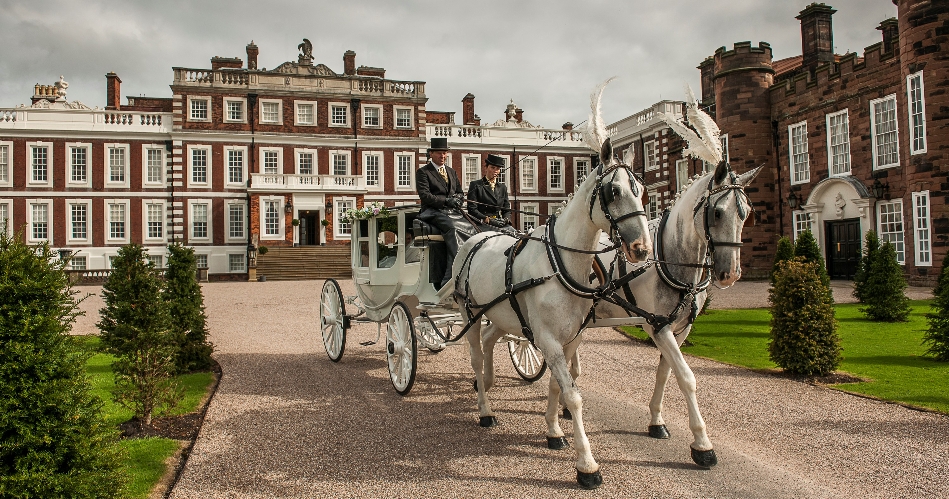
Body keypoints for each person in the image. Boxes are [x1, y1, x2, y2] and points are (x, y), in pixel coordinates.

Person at [416, 137, 475, 288]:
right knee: (452, 227)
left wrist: (458, 200)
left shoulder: (451, 172)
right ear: (431, 154)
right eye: (439, 153)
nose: (442, 156)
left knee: (472, 226)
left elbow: (460, 192)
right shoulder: (423, 172)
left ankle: (470, 264)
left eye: (444, 153)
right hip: (432, 211)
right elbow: (425, 196)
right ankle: (450, 274)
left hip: (451, 211)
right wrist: (446, 201)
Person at [467, 154, 515, 235]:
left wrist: (506, 219)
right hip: (482, 224)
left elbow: (506, 209)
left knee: (516, 235)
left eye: (498, 169)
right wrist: (487, 219)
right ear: (486, 168)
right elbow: (472, 209)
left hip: (499, 223)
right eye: (492, 168)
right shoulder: (476, 185)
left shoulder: (502, 187)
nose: (495, 171)